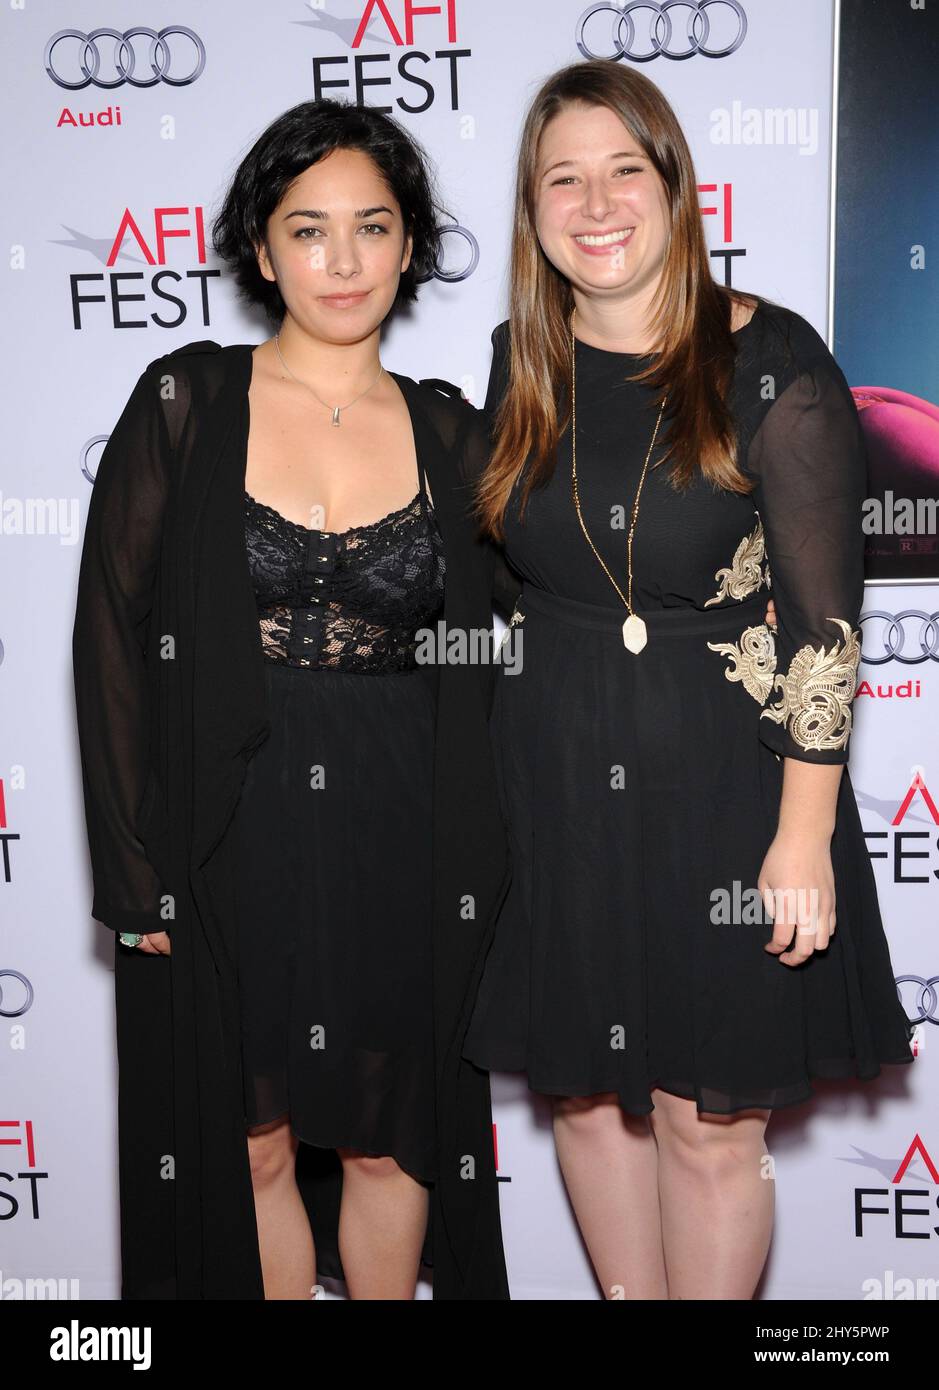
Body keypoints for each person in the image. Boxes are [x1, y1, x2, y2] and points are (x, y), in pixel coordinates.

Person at [462, 60, 915, 1300]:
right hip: (554, 785)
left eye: (625, 170)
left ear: (677, 187)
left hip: (726, 792)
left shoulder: (772, 363)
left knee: (708, 1125)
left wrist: (803, 840)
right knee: (590, 1101)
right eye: (564, 177)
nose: (595, 202)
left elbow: (824, 633)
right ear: (532, 205)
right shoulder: (522, 360)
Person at [72, 98, 510, 1300]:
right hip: (229, 829)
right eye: (308, 230)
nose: (343, 260)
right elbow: (108, 630)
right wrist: (131, 863)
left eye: (373, 228)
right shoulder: (187, 402)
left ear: (410, 247)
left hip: (405, 832)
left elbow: (536, 632)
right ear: (260, 250)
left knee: (395, 1125)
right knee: (246, 1130)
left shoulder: (455, 433)